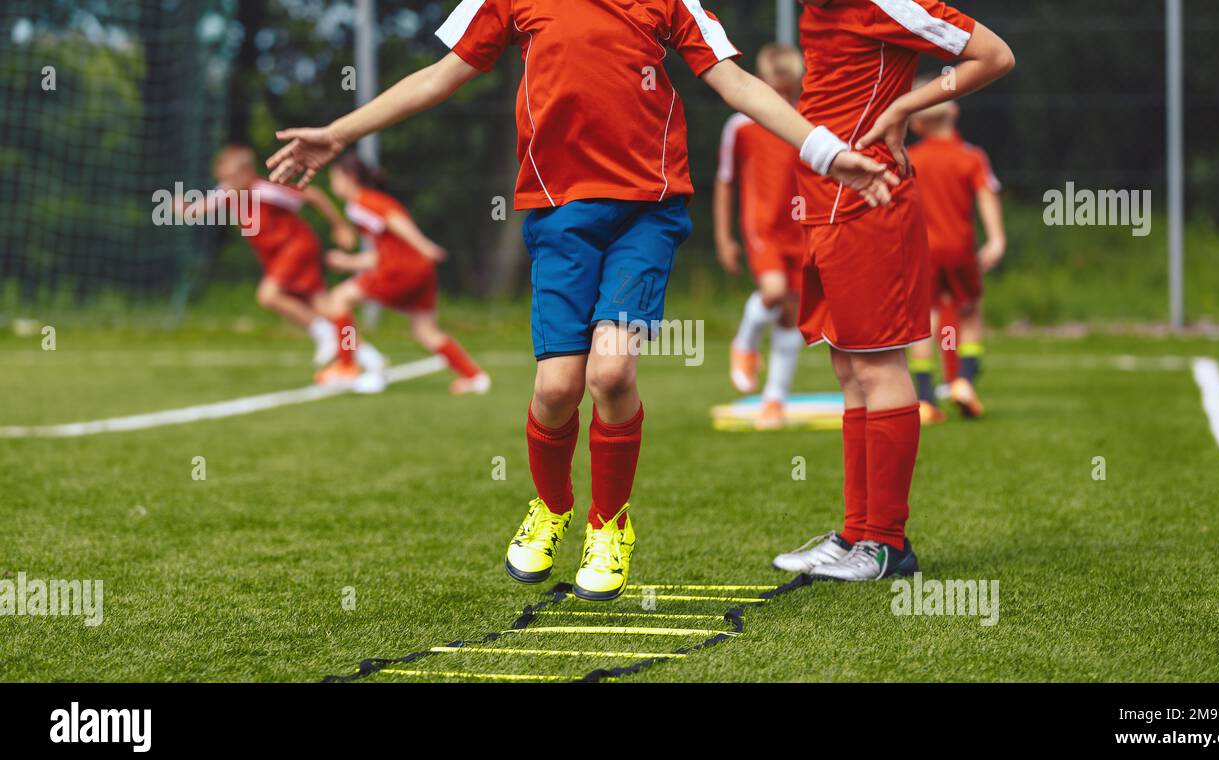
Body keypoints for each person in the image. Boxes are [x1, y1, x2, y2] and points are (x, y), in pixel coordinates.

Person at [265, 0, 895, 600]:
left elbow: (737, 82)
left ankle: (608, 522)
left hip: (647, 214)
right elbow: (439, 76)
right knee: (556, 390)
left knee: (613, 369)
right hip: (557, 217)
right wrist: (338, 134)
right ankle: (553, 507)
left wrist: (826, 152)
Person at [772, 0, 1014, 581]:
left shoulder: (887, 4)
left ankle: (887, 543)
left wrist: (905, 105)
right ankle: (856, 533)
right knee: (851, 369)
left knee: (879, 366)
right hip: (826, 204)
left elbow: (995, 55)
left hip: (870, 201)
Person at [318, 152, 490, 396]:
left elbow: (394, 220)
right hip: (419, 269)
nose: (333, 183)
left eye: (335, 177)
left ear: (350, 177)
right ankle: (474, 377)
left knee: (338, 299)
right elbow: (385, 250)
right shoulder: (369, 202)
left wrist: (424, 244)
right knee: (425, 330)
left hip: (400, 271)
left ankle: (346, 367)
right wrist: (349, 263)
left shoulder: (360, 203)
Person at [200, 145, 376, 373]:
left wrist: (340, 226)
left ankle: (322, 332)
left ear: (246, 172)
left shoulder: (264, 190)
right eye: (223, 176)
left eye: (231, 175)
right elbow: (201, 208)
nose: (226, 180)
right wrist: (174, 206)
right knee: (328, 306)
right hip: (280, 256)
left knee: (268, 295)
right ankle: (367, 355)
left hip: (295, 248)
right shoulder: (228, 192)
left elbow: (314, 195)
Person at [714, 43, 807, 430]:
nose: (783, 95)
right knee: (772, 291)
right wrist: (724, 237)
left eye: (789, 87)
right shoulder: (741, 125)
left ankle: (774, 400)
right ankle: (745, 344)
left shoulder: (808, 120)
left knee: (792, 313)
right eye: (776, 86)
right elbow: (725, 182)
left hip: (802, 230)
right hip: (763, 227)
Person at [906, 77, 1006, 423]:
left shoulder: (910, 158)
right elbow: (986, 197)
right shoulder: (971, 157)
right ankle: (964, 379)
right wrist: (996, 238)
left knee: (926, 317)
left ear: (917, 122)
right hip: (961, 249)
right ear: (955, 111)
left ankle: (923, 397)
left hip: (922, 251)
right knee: (969, 310)